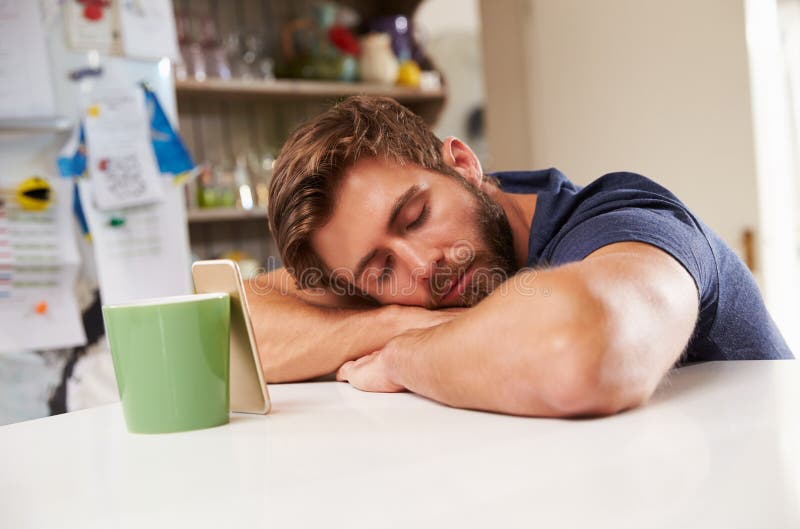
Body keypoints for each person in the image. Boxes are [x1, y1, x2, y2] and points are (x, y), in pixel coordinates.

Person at [245, 96, 793, 417]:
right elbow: (225, 319)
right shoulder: (403, 290)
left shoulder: (622, 218)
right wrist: (392, 320)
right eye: (381, 270)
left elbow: (584, 348)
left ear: (461, 163)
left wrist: (401, 356)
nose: (421, 266)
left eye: (415, 216)